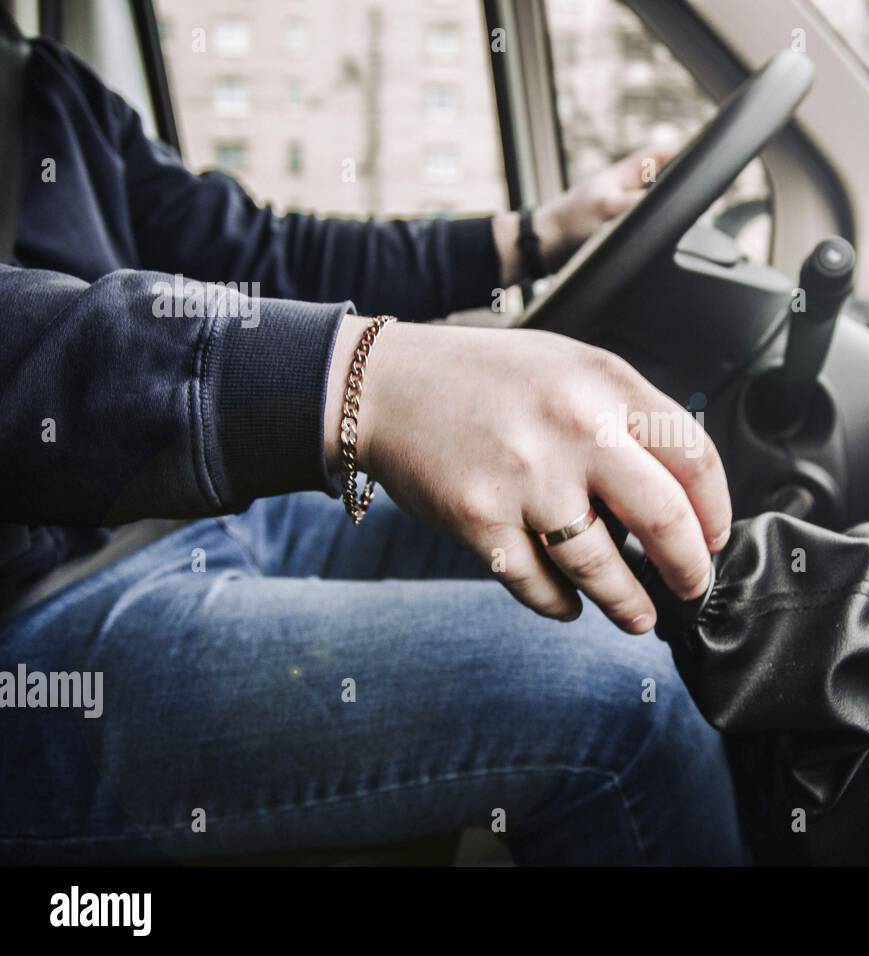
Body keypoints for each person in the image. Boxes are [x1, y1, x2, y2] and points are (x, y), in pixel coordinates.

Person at [0, 20, 746, 865]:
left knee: (614, 541)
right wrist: (365, 373)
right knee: (629, 702)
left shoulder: (48, 87)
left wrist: (535, 234)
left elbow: (257, 254)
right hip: (33, 622)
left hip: (187, 517)